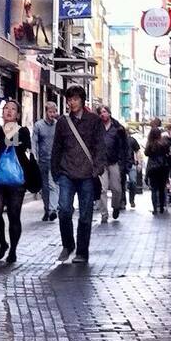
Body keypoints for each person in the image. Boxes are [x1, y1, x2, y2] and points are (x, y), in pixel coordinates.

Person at [50, 84, 105, 264]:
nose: (71, 103)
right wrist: (55, 171)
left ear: (82, 100)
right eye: (69, 100)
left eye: (75, 99)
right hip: (66, 172)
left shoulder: (94, 121)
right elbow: (56, 147)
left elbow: (99, 147)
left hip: (87, 175)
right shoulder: (63, 122)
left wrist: (97, 168)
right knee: (64, 210)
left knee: (85, 214)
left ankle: (82, 251)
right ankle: (68, 245)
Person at [0, 99, 40, 266]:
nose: (8, 111)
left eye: (12, 109)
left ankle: (13, 250)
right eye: (6, 108)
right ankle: (3, 242)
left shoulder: (23, 131)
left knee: (14, 215)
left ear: (18, 114)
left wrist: (1, 145)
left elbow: (25, 147)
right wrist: (9, 143)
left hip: (17, 178)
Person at [96, 103, 130, 223]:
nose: (103, 114)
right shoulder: (96, 128)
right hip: (101, 163)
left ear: (109, 113)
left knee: (117, 189)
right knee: (102, 189)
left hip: (114, 162)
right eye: (100, 112)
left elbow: (125, 147)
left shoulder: (118, 129)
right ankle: (104, 214)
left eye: (104, 112)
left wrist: (125, 163)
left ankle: (115, 206)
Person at [31, 102, 59, 220]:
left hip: (54, 161)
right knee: (44, 187)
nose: (52, 114)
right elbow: (34, 142)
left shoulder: (58, 125)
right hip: (42, 161)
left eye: (54, 112)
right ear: (45, 112)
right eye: (50, 112)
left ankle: (53, 209)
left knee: (53, 185)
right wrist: (34, 157)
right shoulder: (38, 125)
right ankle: (47, 210)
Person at [144, 120, 171, 214]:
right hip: (163, 168)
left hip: (153, 168)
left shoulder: (150, 144)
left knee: (154, 189)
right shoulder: (163, 143)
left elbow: (146, 153)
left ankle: (155, 209)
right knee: (162, 188)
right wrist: (169, 136)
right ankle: (161, 207)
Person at [125, 126, 142, 207]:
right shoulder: (118, 140)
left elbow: (137, 151)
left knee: (133, 182)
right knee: (121, 183)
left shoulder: (132, 140)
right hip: (121, 164)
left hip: (131, 163)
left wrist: (139, 163)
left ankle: (131, 200)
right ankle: (123, 201)